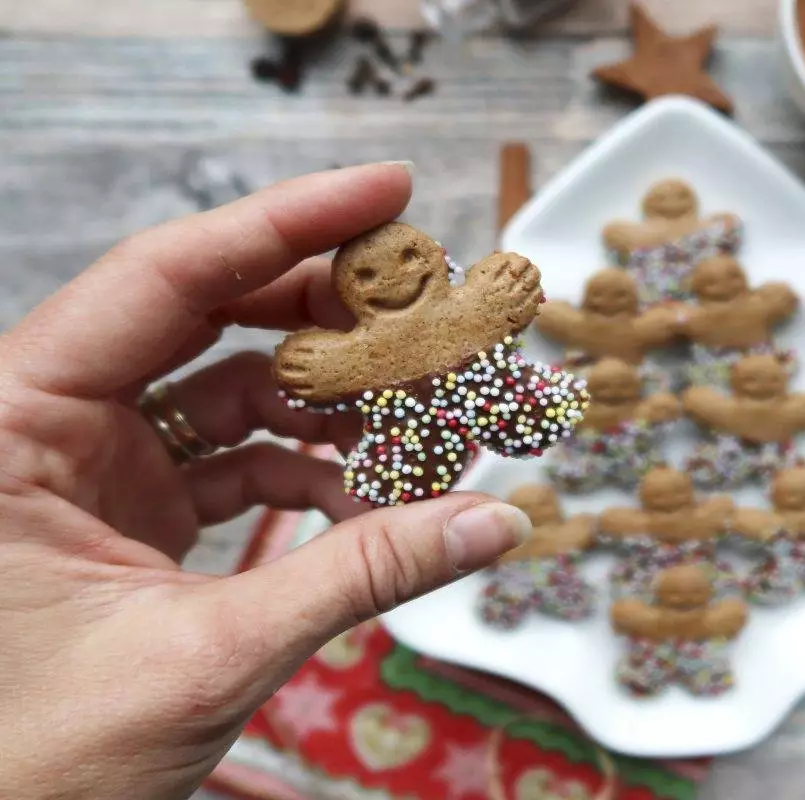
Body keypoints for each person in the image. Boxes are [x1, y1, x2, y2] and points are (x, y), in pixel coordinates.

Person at [0, 163, 532, 799]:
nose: (390, 279)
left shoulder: (470, 308)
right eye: (365, 274)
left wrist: (498, 292)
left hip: (491, 387)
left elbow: (490, 305)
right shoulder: (382, 344)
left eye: (405, 258)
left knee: (520, 412)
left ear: (430, 255)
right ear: (351, 291)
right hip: (401, 427)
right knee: (402, 466)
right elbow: (337, 363)